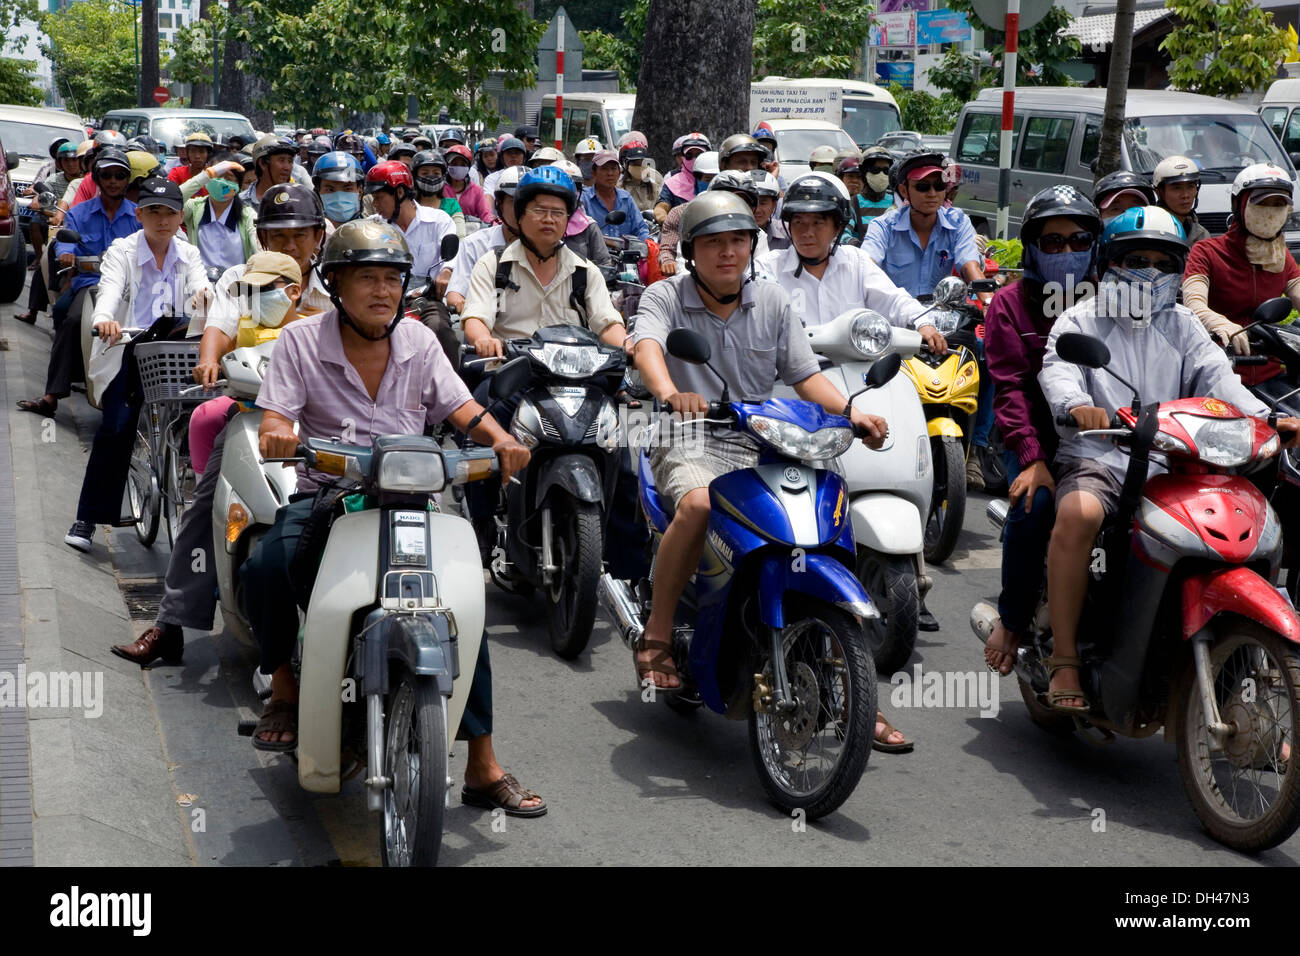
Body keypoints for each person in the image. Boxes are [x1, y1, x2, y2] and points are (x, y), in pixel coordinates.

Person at [239, 223, 545, 817]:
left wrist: (502, 439)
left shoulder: (420, 342)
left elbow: (462, 408)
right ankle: (283, 684)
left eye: (390, 278)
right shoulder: (302, 340)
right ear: (336, 284)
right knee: (266, 563)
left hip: (411, 501)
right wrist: (278, 433)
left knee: (463, 605)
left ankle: (482, 764)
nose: (381, 290)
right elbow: (275, 416)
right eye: (366, 278)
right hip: (330, 495)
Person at [627, 192, 911, 751]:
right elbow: (648, 349)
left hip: (763, 436)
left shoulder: (774, 300)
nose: (727, 252)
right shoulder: (666, 296)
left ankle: (850, 686)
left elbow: (805, 376)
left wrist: (852, 413)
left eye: (737, 240)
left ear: (752, 246)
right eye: (713, 243)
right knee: (700, 503)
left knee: (821, 512)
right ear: (691, 250)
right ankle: (658, 634)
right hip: (690, 434)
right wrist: (671, 394)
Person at [1038, 205, 1300, 712]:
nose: (1150, 272)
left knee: (1248, 521)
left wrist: (1268, 420)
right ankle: (1065, 659)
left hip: (1175, 466)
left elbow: (1219, 379)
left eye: (1163, 262)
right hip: (1102, 457)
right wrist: (1076, 407)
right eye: (1137, 259)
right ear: (1110, 262)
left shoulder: (1183, 325)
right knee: (1079, 513)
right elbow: (1059, 372)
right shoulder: (1079, 318)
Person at [109, 187, 334, 668]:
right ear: (261, 238)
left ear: (319, 236)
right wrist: (209, 361)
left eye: (299, 236)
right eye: (276, 236)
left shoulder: (341, 281)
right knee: (206, 508)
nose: (289, 246)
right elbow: (218, 323)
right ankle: (170, 625)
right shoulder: (243, 276)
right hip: (252, 411)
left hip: (328, 424)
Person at [458, 165, 626, 551]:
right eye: (539, 210)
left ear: (569, 219)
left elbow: (607, 323)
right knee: (478, 429)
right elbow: (475, 319)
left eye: (557, 212)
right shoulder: (494, 264)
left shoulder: (585, 273)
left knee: (626, 445)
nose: (549, 219)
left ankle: (623, 551)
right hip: (515, 374)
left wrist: (628, 344)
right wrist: (485, 340)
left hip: (581, 380)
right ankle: (481, 528)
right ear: (519, 214)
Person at [980, 185, 1101, 675]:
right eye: (1053, 243)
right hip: (1031, 438)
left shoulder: (1118, 301)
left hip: (1103, 444)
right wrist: (1031, 458)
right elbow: (1009, 390)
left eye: (1078, 240)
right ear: (1032, 247)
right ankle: (1011, 619)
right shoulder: (1008, 305)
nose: (1066, 252)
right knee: (1036, 505)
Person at [63, 178, 218, 553]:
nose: (162, 220)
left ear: (181, 217)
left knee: (206, 418)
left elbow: (201, 286)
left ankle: (206, 520)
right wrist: (105, 319)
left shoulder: (189, 253)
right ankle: (87, 517)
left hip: (176, 349)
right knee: (116, 428)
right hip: (128, 348)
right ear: (139, 214)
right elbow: (110, 289)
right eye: (153, 212)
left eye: (169, 213)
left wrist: (205, 295)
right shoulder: (122, 251)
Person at [17, 148, 141, 418]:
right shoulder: (79, 213)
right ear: (97, 178)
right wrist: (65, 253)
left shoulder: (139, 216)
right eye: (107, 175)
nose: (113, 181)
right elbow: (63, 238)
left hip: (132, 289)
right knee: (69, 318)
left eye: (119, 175)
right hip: (90, 283)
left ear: (127, 180)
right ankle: (52, 395)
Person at [756, 172, 940, 338]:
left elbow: (894, 300)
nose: (807, 232)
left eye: (818, 222)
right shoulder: (768, 268)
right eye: (798, 222)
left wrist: (923, 323)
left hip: (853, 370)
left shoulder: (856, 262)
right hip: (790, 373)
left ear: (837, 227)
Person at [1183, 163, 1300, 359]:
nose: (1270, 212)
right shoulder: (1206, 251)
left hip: (1268, 367)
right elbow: (1194, 303)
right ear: (1238, 204)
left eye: (1278, 204)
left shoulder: (1280, 256)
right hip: (1219, 365)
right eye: (1262, 203)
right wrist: (1218, 323)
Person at [436, 166, 524, 316]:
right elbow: (456, 293)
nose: (521, 209)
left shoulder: (548, 248)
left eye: (529, 203)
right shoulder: (474, 244)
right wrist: (464, 306)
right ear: (499, 204)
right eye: (514, 201)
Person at [16, 141, 83, 325]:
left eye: (76, 160)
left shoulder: (88, 181)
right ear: (60, 163)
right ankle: (33, 311)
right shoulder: (55, 180)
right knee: (45, 263)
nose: (72, 164)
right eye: (66, 161)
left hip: (83, 229)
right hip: (59, 224)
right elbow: (39, 195)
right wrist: (39, 201)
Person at [364, 160, 455, 287]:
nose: (374, 203)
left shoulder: (439, 221)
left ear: (400, 192)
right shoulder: (371, 227)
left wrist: (447, 271)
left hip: (431, 300)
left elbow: (452, 260)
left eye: (378, 197)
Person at [180, 153, 258, 273]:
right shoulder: (194, 208)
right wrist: (206, 175)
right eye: (217, 175)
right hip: (200, 284)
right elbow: (171, 199)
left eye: (228, 177)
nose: (221, 182)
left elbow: (258, 248)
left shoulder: (248, 216)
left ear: (238, 184)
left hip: (237, 286)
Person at [657, 151, 720, 276]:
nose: (712, 184)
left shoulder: (738, 213)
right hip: (688, 276)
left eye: (716, 178)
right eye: (708, 179)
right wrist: (667, 260)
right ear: (696, 182)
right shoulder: (679, 213)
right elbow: (667, 248)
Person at [554, 160, 612, 269]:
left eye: (574, 186)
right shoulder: (540, 223)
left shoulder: (588, 226)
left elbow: (604, 264)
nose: (568, 192)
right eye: (562, 186)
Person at [582, 150, 649, 241]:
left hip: (625, 253)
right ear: (594, 172)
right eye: (604, 169)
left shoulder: (626, 198)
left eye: (613, 168)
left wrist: (649, 242)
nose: (610, 173)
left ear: (619, 172)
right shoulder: (584, 199)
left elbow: (640, 228)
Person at [1152, 155, 1210, 245]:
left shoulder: (1202, 236)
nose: (1185, 195)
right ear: (1159, 193)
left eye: (1190, 186)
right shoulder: (1150, 232)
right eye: (1176, 188)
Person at [654, 132, 711, 222]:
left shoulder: (720, 179)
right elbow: (662, 205)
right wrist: (662, 217)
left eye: (699, 154)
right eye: (689, 155)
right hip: (681, 232)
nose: (694, 159)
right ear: (683, 157)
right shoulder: (672, 183)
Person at [412, 149, 465, 236]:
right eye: (425, 173)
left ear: (443, 176)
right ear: (415, 176)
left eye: (436, 173)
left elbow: (460, 236)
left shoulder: (452, 205)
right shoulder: (409, 206)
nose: (431, 177)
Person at [242, 135, 299, 213]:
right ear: (262, 163)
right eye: (281, 160)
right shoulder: (240, 203)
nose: (287, 167)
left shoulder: (297, 201)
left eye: (290, 161)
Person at [311, 150, 365, 228]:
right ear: (318, 195)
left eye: (347, 189)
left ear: (360, 192)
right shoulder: (311, 236)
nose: (339, 197)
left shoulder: (372, 234)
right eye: (330, 190)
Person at [442, 143, 494, 225]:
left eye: (462, 164)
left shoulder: (476, 190)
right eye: (454, 164)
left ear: (468, 167)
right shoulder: (441, 189)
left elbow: (486, 215)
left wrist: (492, 225)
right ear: (448, 166)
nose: (458, 167)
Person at [482, 136, 528, 204]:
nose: (513, 156)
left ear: (524, 157)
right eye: (509, 153)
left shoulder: (531, 176)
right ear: (502, 157)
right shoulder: (492, 178)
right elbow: (488, 197)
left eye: (517, 152)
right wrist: (488, 213)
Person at [618, 142, 662, 212]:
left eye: (642, 163)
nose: (639, 167)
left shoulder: (654, 188)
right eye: (635, 164)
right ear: (627, 165)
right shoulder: (619, 188)